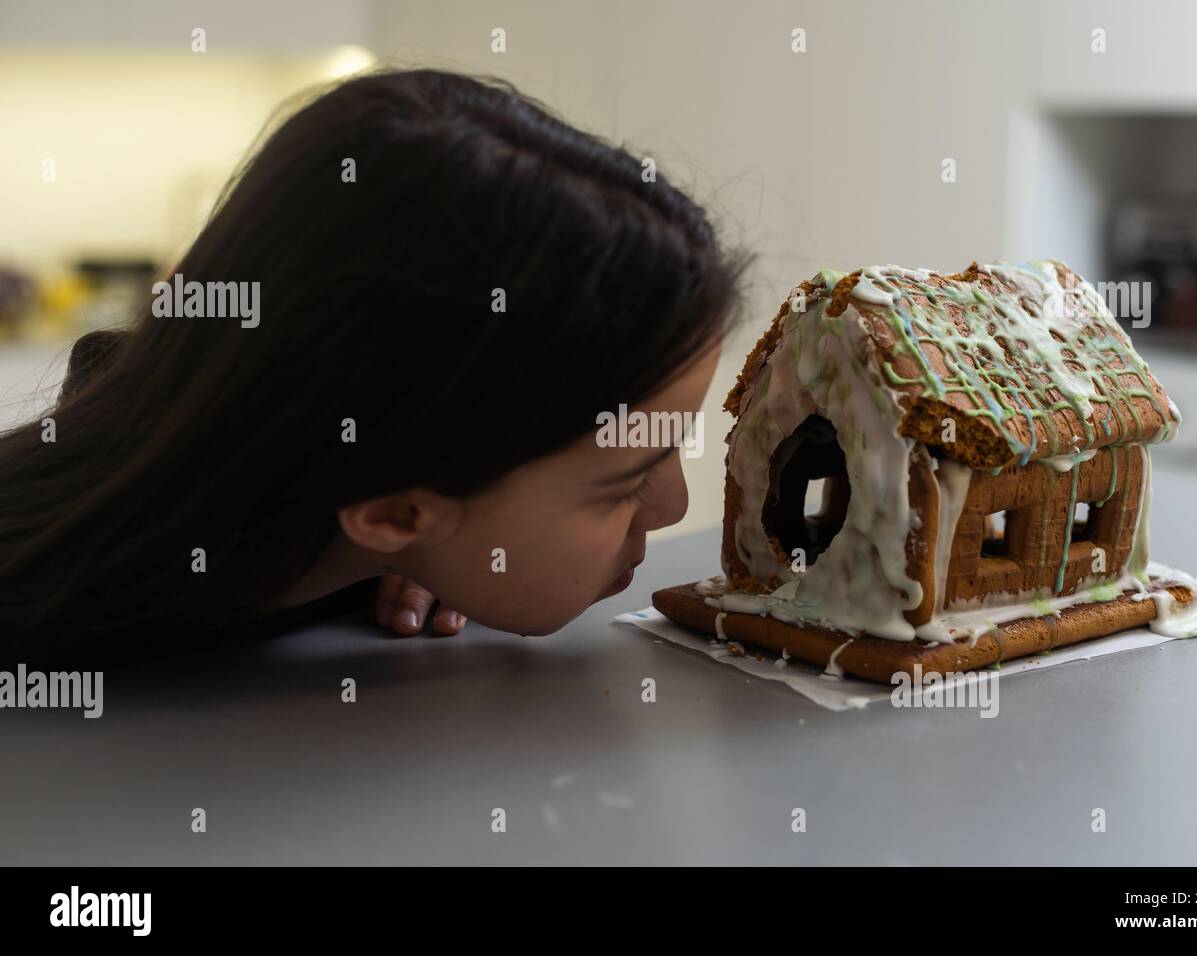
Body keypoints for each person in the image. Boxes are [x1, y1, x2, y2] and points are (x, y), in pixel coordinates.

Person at [0, 68, 748, 670]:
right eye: (625, 481)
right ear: (392, 510)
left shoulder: (307, 479)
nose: (674, 507)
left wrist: (436, 550)